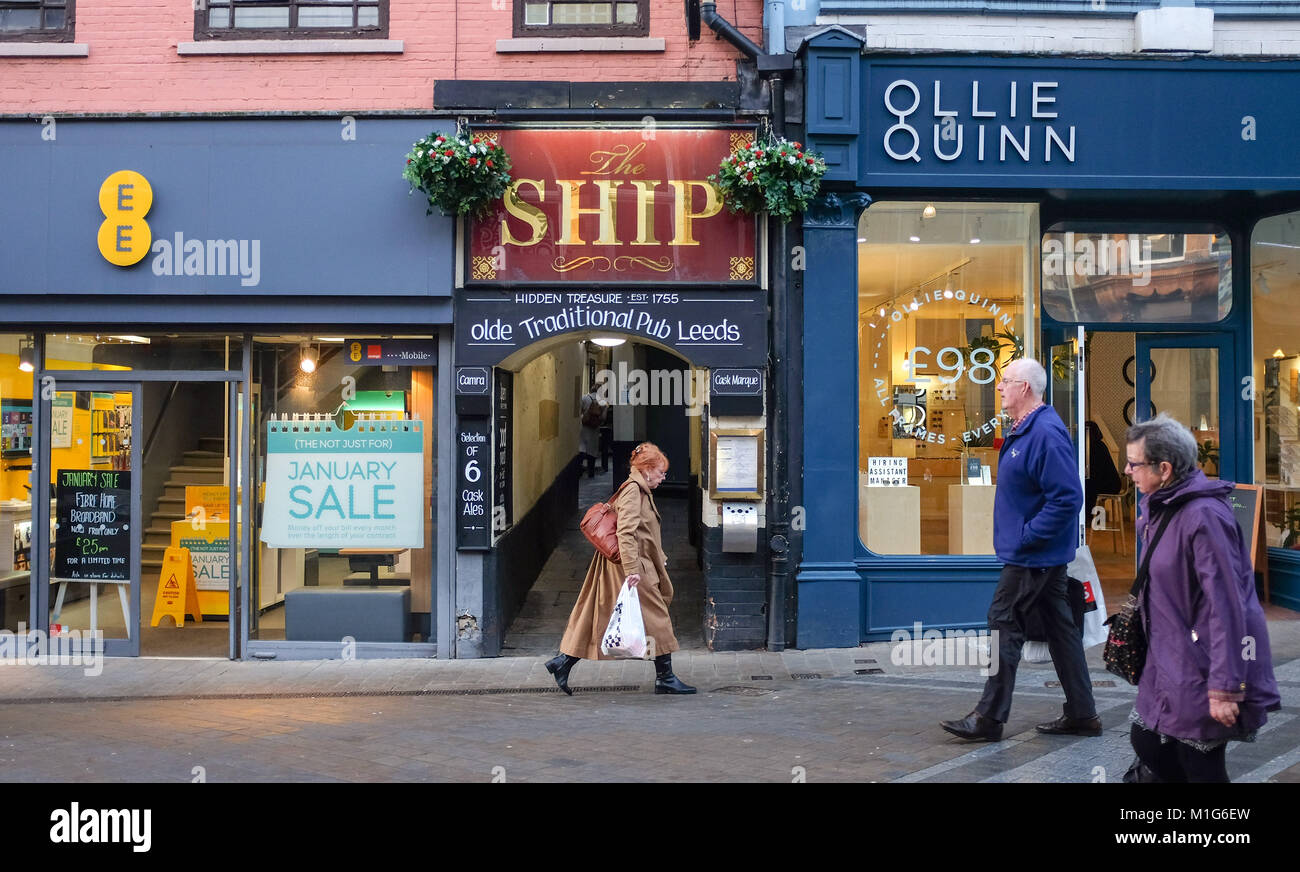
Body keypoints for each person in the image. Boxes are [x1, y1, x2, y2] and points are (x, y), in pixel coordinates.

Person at [941, 358, 1100, 741]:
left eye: (1005, 381)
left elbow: (1067, 498)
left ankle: (989, 717)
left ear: (1025, 388)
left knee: (1003, 622)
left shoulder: (1045, 432)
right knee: (1061, 631)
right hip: (1038, 555)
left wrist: (1028, 536)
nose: (999, 387)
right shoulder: (1026, 429)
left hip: (1034, 557)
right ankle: (1083, 714)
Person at [1122, 413, 1280, 782]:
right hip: (1166, 656)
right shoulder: (1159, 507)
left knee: (1199, 761)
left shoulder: (1204, 516)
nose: (1128, 471)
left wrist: (1224, 688)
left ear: (1164, 468)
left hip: (1202, 661)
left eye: (1134, 464)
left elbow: (1227, 606)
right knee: (1147, 741)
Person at [544, 442, 695, 695]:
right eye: (660, 472)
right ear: (646, 470)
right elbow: (625, 532)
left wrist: (659, 555)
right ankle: (665, 678)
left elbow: (644, 532)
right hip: (632, 566)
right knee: (657, 618)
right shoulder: (634, 491)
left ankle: (563, 662)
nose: (663, 477)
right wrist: (633, 569)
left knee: (604, 615)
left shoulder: (642, 490)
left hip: (633, 562)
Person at [578, 389, 606, 478]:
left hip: (584, 426)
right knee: (592, 450)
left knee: (582, 447)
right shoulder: (602, 401)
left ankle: (579, 469)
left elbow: (579, 411)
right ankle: (591, 472)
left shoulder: (584, 398)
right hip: (594, 429)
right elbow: (603, 417)